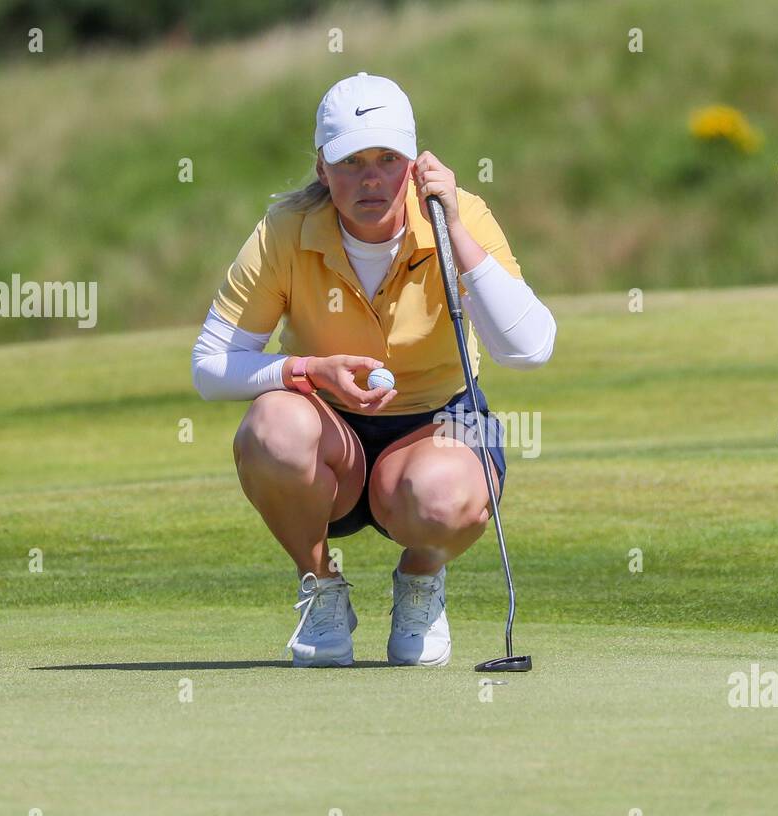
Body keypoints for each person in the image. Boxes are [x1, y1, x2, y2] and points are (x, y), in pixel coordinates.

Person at [191, 72, 556, 667]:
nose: (370, 178)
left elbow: (529, 348)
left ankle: (420, 579)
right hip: (329, 436)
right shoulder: (285, 232)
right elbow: (210, 366)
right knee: (272, 429)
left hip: (438, 424)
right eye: (351, 161)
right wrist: (306, 370)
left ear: (413, 164)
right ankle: (321, 587)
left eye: (388, 158)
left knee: (444, 496)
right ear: (321, 168)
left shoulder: (458, 216)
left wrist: (455, 229)